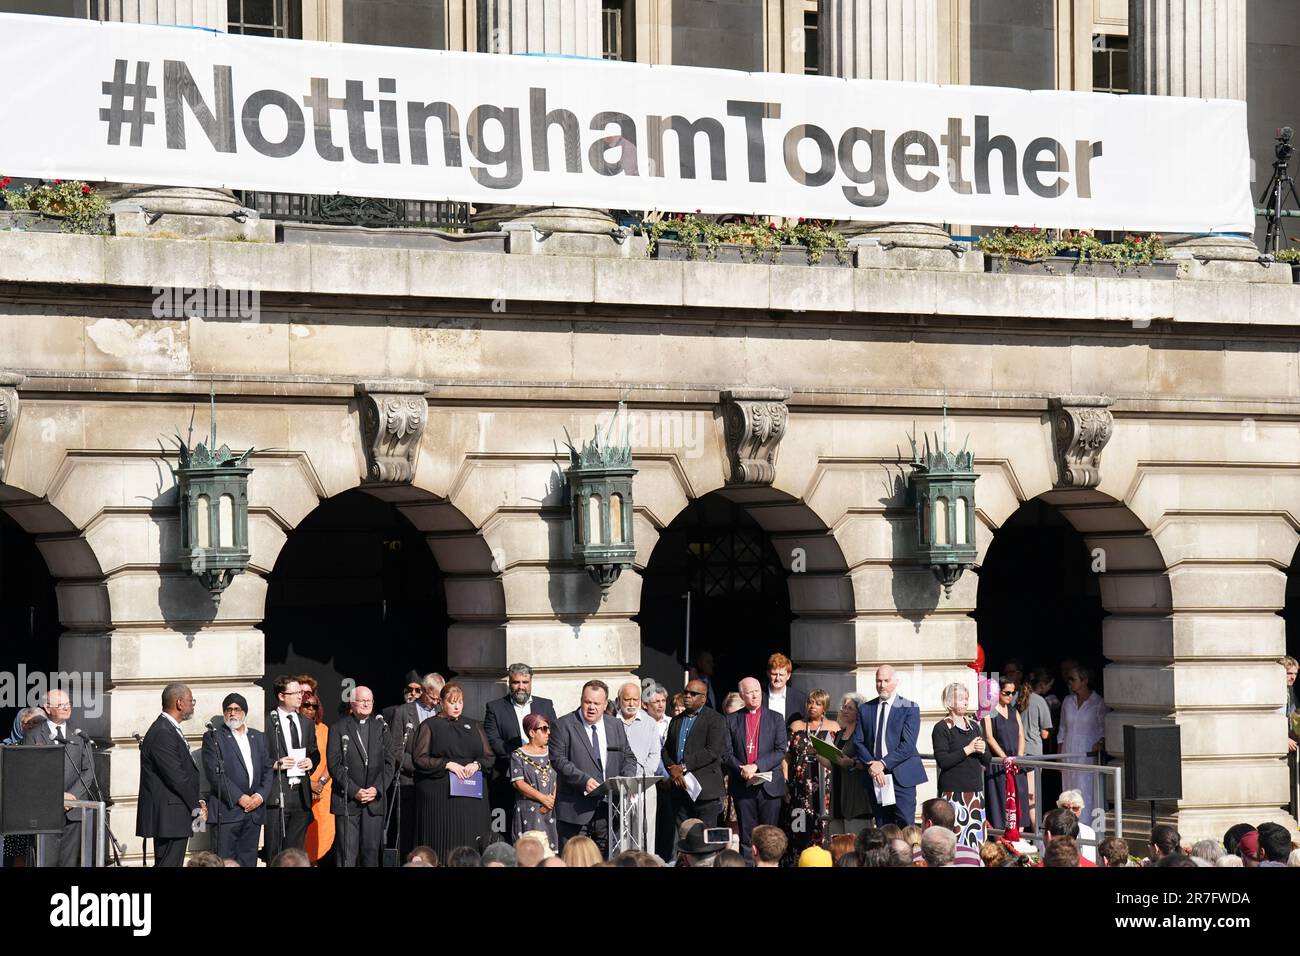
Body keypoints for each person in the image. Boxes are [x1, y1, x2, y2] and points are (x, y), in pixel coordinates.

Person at [550, 679, 636, 854]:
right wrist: (583, 780)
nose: (591, 707)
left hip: (608, 809)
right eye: (587, 702)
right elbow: (558, 760)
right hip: (575, 809)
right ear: (581, 700)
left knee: (607, 860)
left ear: (605, 704)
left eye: (596, 703)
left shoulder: (615, 725)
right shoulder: (563, 725)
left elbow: (628, 757)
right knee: (575, 860)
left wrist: (625, 779)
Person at [412, 682, 492, 861]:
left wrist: (477, 765)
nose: (457, 706)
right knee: (443, 842)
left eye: (460, 702)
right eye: (452, 702)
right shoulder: (430, 725)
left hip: (471, 796)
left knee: (470, 841)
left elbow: (489, 757)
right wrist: (447, 764)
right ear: (441, 702)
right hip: (440, 797)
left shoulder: (474, 725)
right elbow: (420, 759)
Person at [22, 688, 94, 867]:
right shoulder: (33, 735)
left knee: (69, 863)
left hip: (74, 811)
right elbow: (29, 775)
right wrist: (57, 797)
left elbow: (88, 771)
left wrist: (72, 797)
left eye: (68, 703)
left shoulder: (79, 736)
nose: (66, 707)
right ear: (47, 708)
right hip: (46, 812)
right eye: (61, 705)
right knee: (45, 862)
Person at [201, 693, 273, 869]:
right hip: (227, 812)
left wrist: (260, 796)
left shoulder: (258, 737)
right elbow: (215, 774)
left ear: (244, 712)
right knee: (223, 863)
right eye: (228, 710)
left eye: (236, 709)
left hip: (253, 813)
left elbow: (268, 768)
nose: (232, 713)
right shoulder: (214, 737)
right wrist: (240, 797)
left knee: (249, 861)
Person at [137, 683, 206, 867]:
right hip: (169, 817)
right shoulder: (162, 732)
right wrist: (196, 806)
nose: (193, 705)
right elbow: (177, 777)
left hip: (175, 815)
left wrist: (199, 801)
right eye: (191, 701)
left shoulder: (169, 728)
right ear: (179, 703)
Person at [852, 664, 927, 827]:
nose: (882, 685)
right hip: (876, 777)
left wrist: (882, 764)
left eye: (886, 680)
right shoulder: (866, 709)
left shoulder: (909, 708)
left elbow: (907, 745)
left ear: (896, 681)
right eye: (879, 681)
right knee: (882, 825)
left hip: (901, 776)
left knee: (905, 824)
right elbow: (858, 742)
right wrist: (873, 765)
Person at [482, 663, 557, 827]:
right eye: (516, 682)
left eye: (525, 682)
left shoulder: (545, 705)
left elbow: (554, 737)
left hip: (542, 781)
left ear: (531, 682)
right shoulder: (495, 707)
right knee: (505, 831)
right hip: (507, 778)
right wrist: (521, 759)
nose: (521, 687)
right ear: (510, 683)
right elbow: (493, 740)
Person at [329, 686, 394, 867]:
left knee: (371, 853)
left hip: (374, 801)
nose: (366, 704)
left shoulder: (382, 728)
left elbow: (390, 763)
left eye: (369, 701)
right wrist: (355, 790)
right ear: (352, 703)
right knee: (347, 854)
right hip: (348, 800)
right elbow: (334, 764)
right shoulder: (339, 728)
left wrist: (376, 789)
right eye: (362, 700)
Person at [723, 677, 786, 857]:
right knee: (746, 837)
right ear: (742, 695)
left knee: (769, 837)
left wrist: (756, 766)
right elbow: (726, 753)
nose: (754, 695)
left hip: (769, 786)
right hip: (743, 784)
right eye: (749, 692)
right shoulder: (732, 719)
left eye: (757, 691)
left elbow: (781, 750)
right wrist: (743, 768)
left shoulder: (775, 718)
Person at [385, 671, 443, 860]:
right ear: (423, 691)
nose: (436, 702)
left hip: (434, 781)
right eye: (433, 697)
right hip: (408, 780)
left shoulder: (441, 712)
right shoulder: (403, 712)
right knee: (407, 831)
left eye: (439, 698)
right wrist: (419, 765)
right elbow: (394, 749)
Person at [264, 675, 320, 861]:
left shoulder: (306, 722)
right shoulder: (267, 722)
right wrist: (274, 764)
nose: (300, 697)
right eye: (296, 693)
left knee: (295, 854)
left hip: (301, 794)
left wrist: (311, 762)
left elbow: (315, 752)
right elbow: (258, 757)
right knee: (275, 850)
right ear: (281, 696)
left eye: (302, 693)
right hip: (278, 792)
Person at [931, 682, 990, 849]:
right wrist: (968, 749)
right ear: (949, 703)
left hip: (975, 792)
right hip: (953, 793)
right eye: (961, 699)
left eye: (967, 698)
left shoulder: (974, 726)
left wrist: (983, 750)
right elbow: (943, 761)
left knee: (975, 841)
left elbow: (986, 760)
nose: (966, 702)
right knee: (954, 840)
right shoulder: (942, 728)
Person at [663, 679, 728, 828]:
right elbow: (666, 749)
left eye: (693, 694)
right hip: (680, 789)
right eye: (685, 692)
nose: (687, 696)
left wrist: (683, 766)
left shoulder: (716, 719)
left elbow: (712, 751)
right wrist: (673, 768)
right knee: (684, 836)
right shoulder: (676, 720)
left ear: (703, 698)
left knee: (705, 837)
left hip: (705, 791)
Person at [613, 681, 663, 855]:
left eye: (635, 699)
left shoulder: (649, 723)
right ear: (619, 700)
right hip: (620, 786)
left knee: (645, 830)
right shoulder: (611, 722)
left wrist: (641, 779)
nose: (632, 703)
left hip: (645, 785)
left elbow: (654, 755)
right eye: (627, 699)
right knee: (622, 830)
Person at [787, 688, 839, 852]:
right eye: (810, 702)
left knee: (824, 828)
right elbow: (786, 757)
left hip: (825, 787)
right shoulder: (796, 726)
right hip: (800, 787)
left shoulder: (834, 727)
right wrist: (785, 783)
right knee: (800, 827)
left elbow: (839, 758)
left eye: (818, 703)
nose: (812, 706)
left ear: (825, 707)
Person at [1057, 665, 1107, 824]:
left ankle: (1087, 828)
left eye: (1073, 679)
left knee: (1086, 789)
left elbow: (1104, 729)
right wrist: (1059, 755)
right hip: (1069, 751)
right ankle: (1068, 826)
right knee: (1069, 790)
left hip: (1087, 752)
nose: (1069, 682)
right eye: (1069, 679)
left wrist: (1100, 742)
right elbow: (1062, 729)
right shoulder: (1067, 701)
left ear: (1084, 681)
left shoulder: (1098, 702)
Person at [984, 677, 1028, 833]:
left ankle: (1019, 835)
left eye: (1013, 693)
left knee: (1020, 799)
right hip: (999, 763)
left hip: (1016, 762)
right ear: (997, 693)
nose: (1010, 696)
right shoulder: (989, 711)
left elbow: (1021, 734)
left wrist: (1019, 756)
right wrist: (1005, 758)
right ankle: (1001, 839)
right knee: (1001, 800)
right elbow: (989, 737)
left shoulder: (1013, 710)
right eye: (1006, 693)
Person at [510, 713, 558, 852]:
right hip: (528, 812)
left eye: (548, 728)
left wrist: (550, 801)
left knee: (549, 854)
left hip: (550, 810)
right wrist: (543, 799)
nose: (548, 732)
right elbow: (518, 783)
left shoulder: (552, 752)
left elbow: (557, 777)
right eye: (543, 729)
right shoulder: (517, 755)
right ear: (531, 732)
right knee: (530, 854)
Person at [3, 707, 45, 866]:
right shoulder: (7, 747)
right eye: (27, 723)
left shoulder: (49, 746)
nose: (31, 727)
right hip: (17, 811)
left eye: (37, 723)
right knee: (17, 854)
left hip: (43, 812)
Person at [829, 693, 873, 837]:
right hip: (838, 796)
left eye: (850, 708)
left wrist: (852, 763)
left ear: (859, 712)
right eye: (843, 707)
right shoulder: (840, 734)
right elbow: (833, 763)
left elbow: (870, 763)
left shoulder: (864, 734)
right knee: (837, 846)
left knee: (855, 845)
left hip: (856, 798)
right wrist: (817, 752)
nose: (845, 711)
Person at [299, 687, 334, 864]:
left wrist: (319, 782)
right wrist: (308, 784)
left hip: (322, 791)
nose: (310, 709)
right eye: (306, 705)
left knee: (321, 835)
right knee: (301, 836)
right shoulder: (293, 728)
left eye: (314, 706)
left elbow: (332, 761)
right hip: (300, 789)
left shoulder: (324, 730)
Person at [1016, 674, 1052, 829]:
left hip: (1017, 750)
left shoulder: (1014, 698)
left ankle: (1019, 830)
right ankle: (1034, 832)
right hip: (1034, 751)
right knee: (1032, 795)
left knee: (1018, 792)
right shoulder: (1039, 701)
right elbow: (1045, 733)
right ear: (1043, 684)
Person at [916, 798, 981, 866]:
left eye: (923, 820)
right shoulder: (973, 856)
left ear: (929, 824)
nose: (921, 826)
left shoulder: (916, 859)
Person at [1057, 789, 1097, 864]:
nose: (1070, 811)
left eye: (1075, 808)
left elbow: (1093, 859)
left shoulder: (1089, 831)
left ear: (1081, 809)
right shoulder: (1053, 829)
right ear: (1059, 807)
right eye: (1065, 808)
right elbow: (1040, 854)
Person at [763, 653, 801, 724]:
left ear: (788, 676)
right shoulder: (759, 697)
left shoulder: (800, 698)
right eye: (774, 674)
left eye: (781, 675)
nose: (778, 678)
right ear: (768, 673)